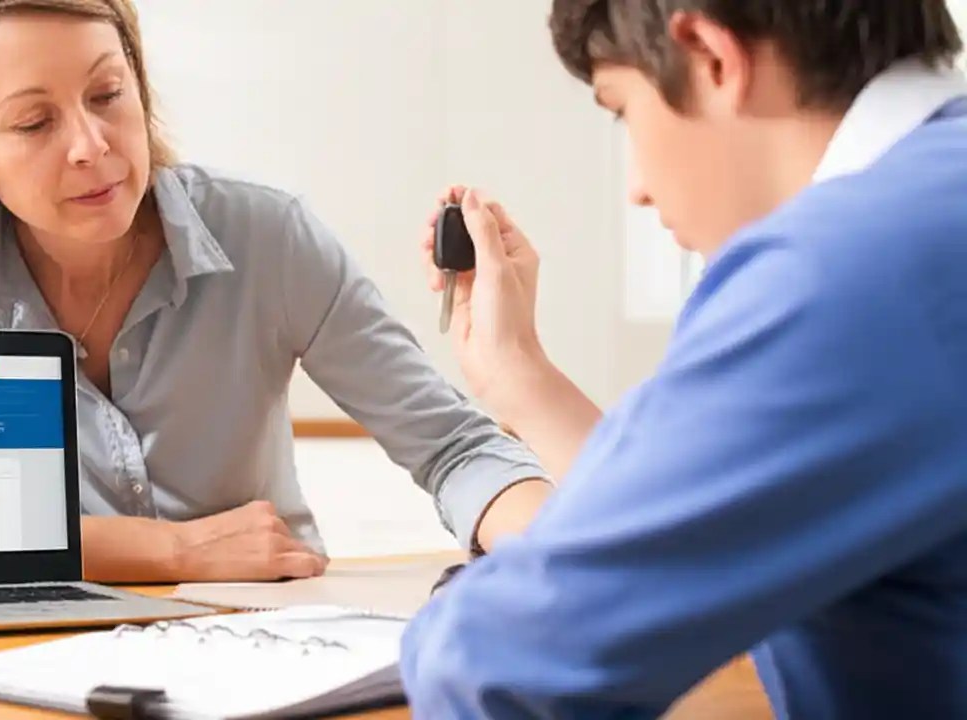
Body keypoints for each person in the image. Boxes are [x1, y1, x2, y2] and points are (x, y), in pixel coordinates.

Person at [400, 1, 967, 718]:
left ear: (711, 56)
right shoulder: (939, 199)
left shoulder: (852, 263)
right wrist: (520, 377)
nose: (636, 186)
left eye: (622, 110)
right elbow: (724, 514)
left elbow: (495, 667)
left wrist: (463, 604)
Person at [0, 0, 551, 584]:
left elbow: (454, 448)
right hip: (33, 642)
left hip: (262, 631)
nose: (91, 144)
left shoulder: (267, 235)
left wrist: (571, 565)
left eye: (107, 94)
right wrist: (174, 551)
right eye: (34, 123)